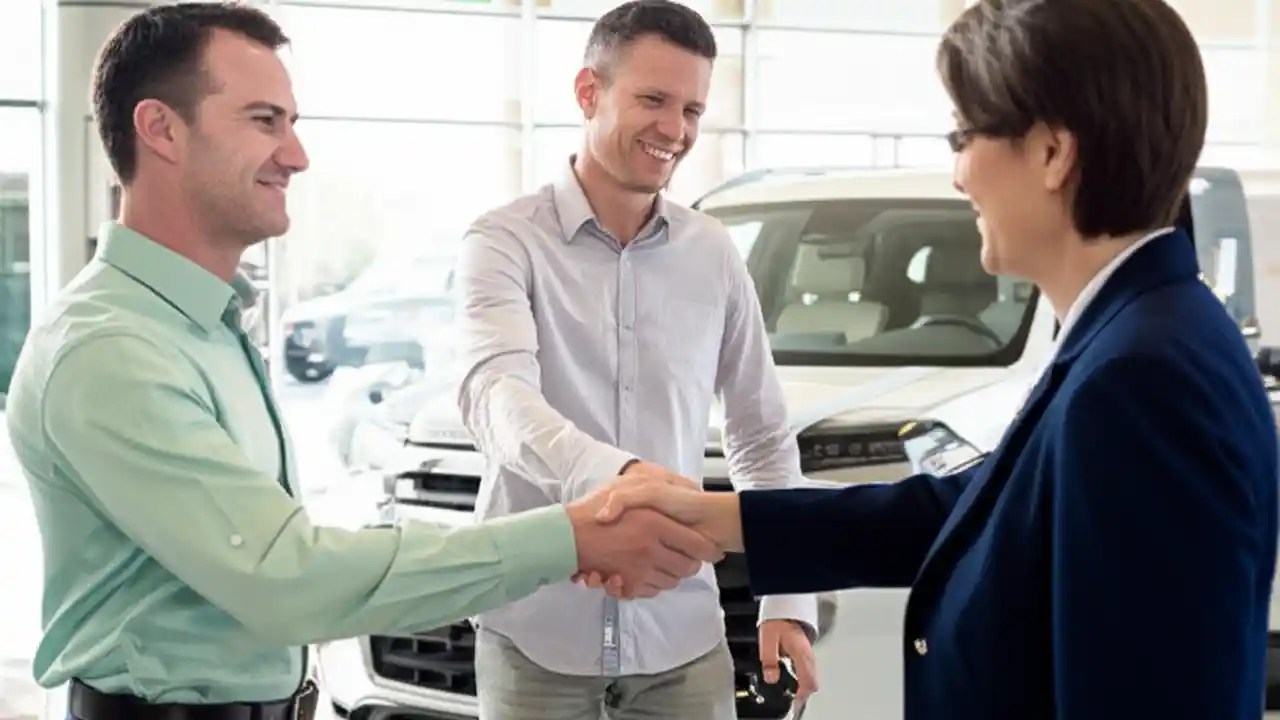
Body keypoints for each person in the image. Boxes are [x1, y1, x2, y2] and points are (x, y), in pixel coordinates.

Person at [4, 4, 721, 719]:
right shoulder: (112, 350)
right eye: (264, 121)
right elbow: (290, 577)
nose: (296, 154)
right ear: (161, 130)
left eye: (290, 122)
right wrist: (569, 537)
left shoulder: (205, 328)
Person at [589, 0, 1280, 718]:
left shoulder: (1143, 381)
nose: (959, 175)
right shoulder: (1135, 334)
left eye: (963, 136)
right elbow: (973, 512)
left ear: (1052, 153)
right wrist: (715, 519)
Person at [453, 1, 818, 717]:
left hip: (683, 643)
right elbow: (495, 396)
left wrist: (788, 597)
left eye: (692, 110)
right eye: (653, 99)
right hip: (534, 639)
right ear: (589, 92)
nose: (675, 131)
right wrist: (620, 479)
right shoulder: (503, 242)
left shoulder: (712, 252)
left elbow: (761, 435)